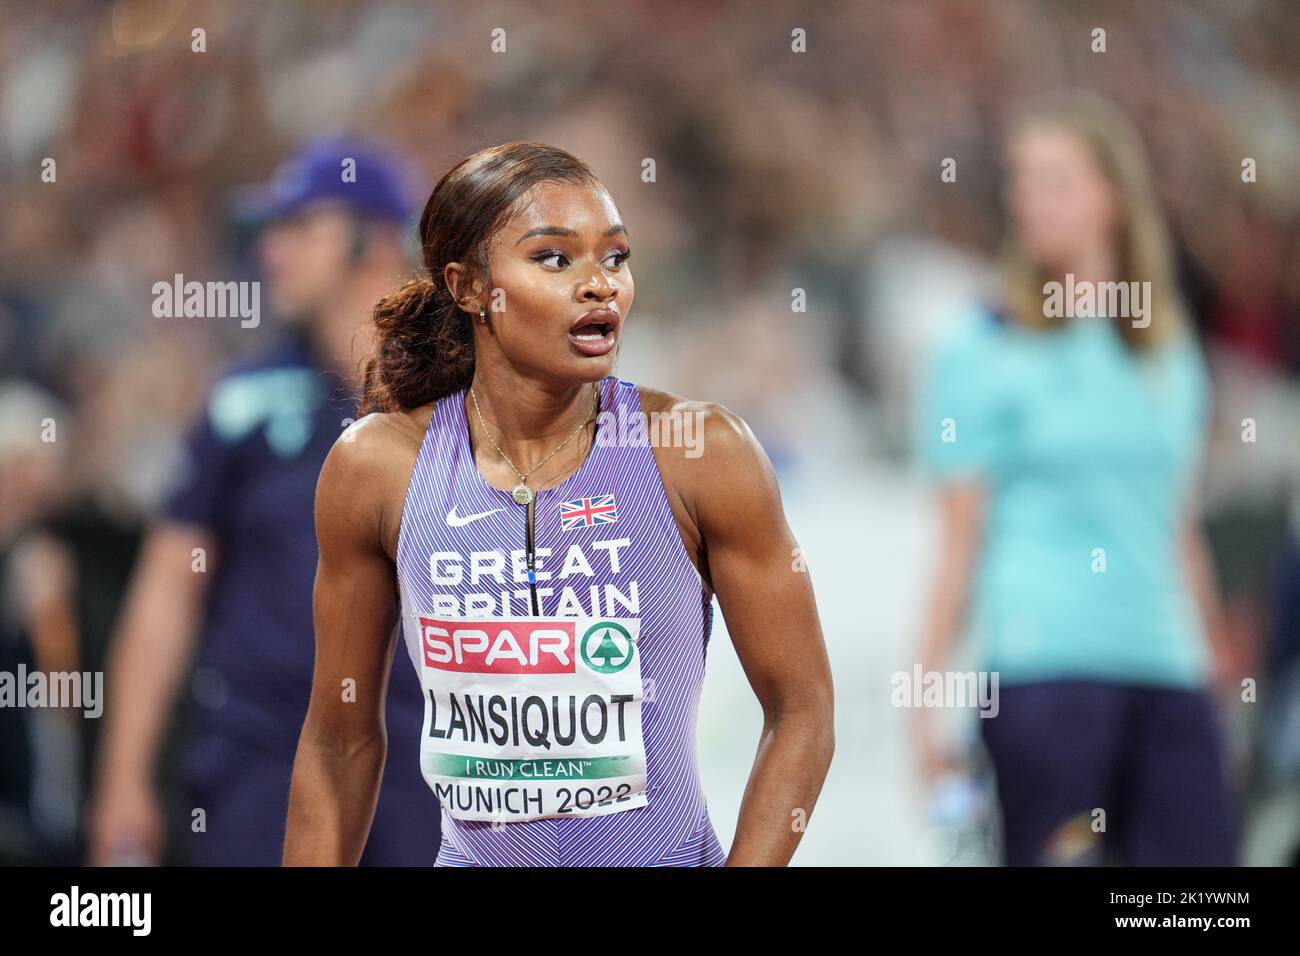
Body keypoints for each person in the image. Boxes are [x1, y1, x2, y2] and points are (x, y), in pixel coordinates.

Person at [283, 141, 835, 867]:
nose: (600, 285)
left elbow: (802, 711)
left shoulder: (699, 453)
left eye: (615, 257)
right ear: (470, 286)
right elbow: (339, 740)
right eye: (554, 259)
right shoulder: (376, 468)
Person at [89, 138, 440, 866]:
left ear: (368, 238)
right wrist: (123, 781)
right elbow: (166, 593)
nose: (271, 252)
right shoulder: (242, 402)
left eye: (297, 228)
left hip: (427, 770)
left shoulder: (457, 403)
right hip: (261, 760)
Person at [913, 95, 1238, 866]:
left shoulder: (1168, 352)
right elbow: (958, 539)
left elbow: (1177, 523)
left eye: (1056, 179)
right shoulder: (982, 346)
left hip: (1166, 667)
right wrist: (923, 703)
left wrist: (1215, 666)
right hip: (1044, 668)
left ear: (1112, 198)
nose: (1032, 199)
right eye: (1022, 181)